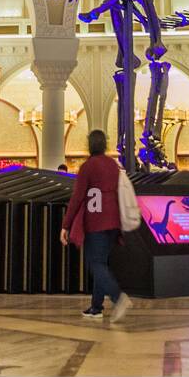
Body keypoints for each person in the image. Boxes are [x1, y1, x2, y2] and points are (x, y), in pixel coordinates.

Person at [60, 129, 132, 322]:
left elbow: (77, 198)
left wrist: (66, 225)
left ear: (89, 145)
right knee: (102, 263)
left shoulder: (88, 167)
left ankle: (118, 298)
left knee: (95, 263)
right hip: (114, 222)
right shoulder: (112, 165)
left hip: (96, 222)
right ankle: (96, 307)